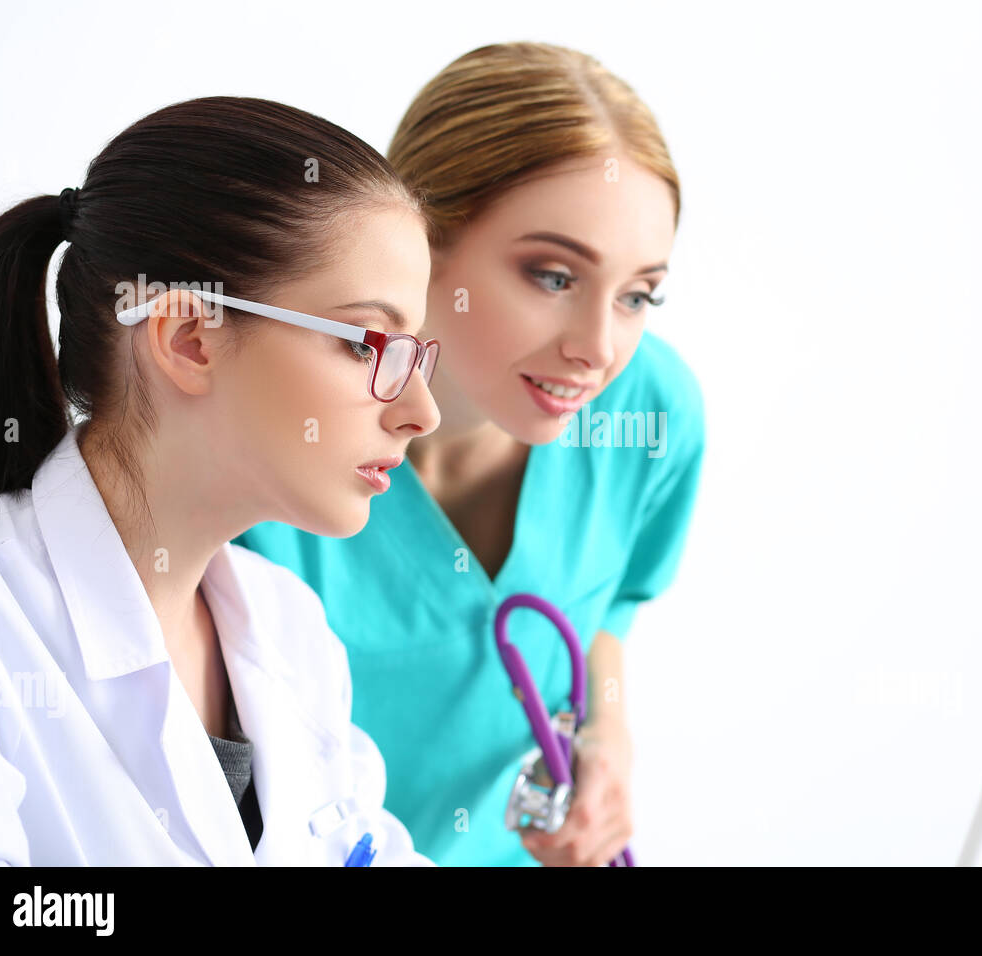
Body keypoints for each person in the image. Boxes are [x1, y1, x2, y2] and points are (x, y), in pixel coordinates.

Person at [234, 43, 706, 866]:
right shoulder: (270, 455)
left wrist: (609, 738)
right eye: (554, 277)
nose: (599, 349)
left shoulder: (648, 412)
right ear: (422, 239)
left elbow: (610, 609)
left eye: (638, 295)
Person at [0, 96, 441, 865]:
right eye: (367, 345)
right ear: (190, 339)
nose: (421, 412)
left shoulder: (289, 625)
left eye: (416, 354)